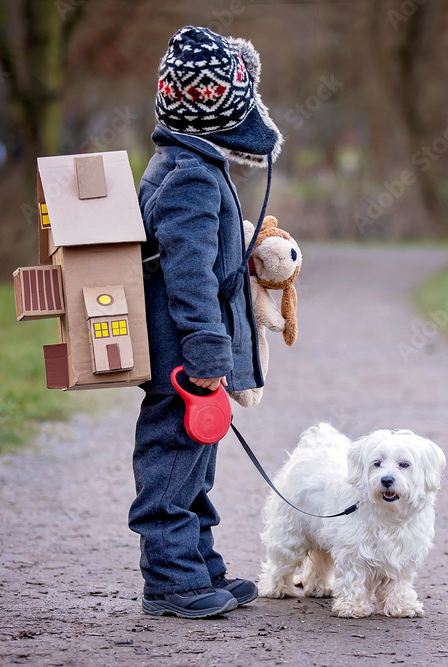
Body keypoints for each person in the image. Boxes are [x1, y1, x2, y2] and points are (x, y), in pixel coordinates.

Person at [129, 26, 283, 619]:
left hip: (188, 356)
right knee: (171, 460)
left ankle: (200, 566)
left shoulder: (181, 161)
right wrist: (205, 345)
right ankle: (170, 583)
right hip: (183, 357)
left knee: (196, 460)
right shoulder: (192, 175)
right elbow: (187, 272)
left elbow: (205, 255)